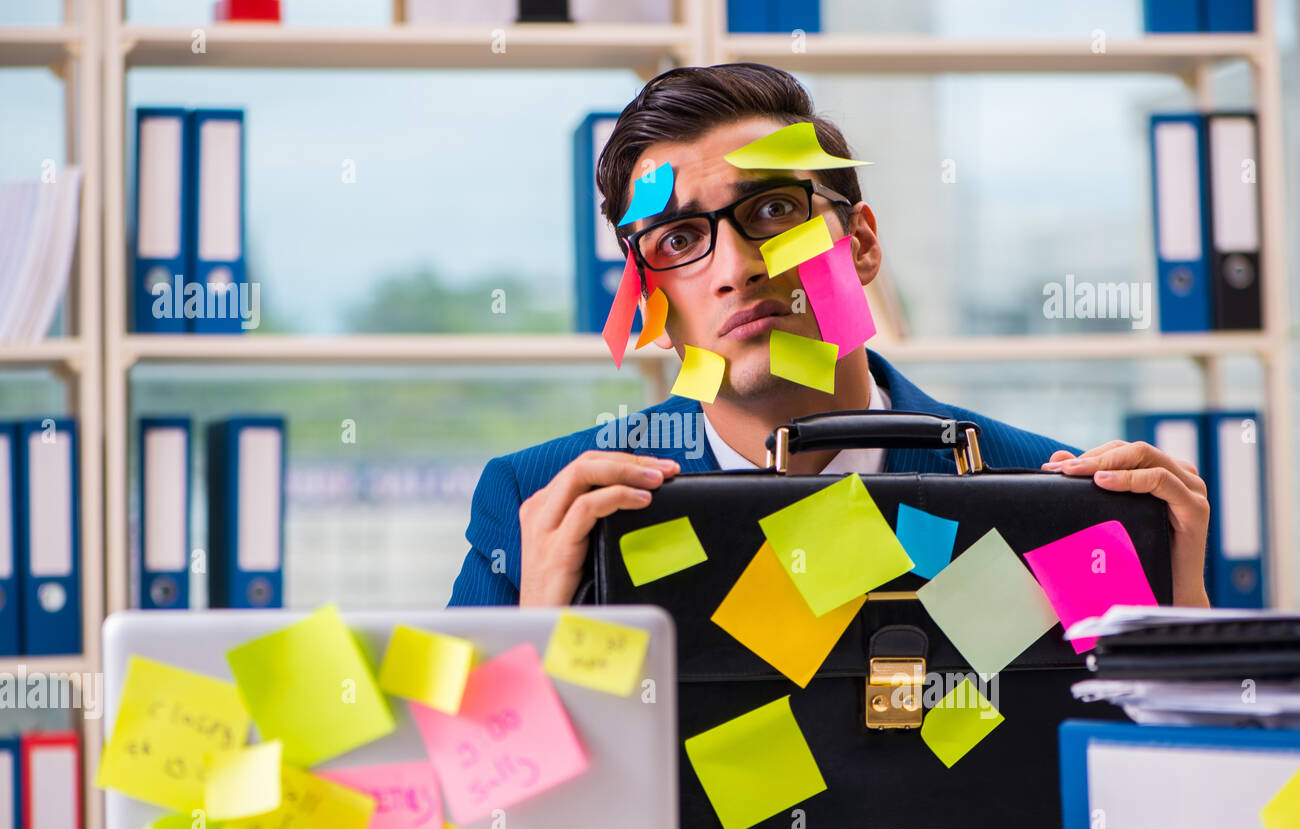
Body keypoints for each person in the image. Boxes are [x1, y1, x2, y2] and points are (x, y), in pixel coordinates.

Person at [447, 63, 1210, 610]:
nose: (738, 269)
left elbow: (1152, 788)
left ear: (862, 244)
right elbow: (453, 821)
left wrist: (1185, 616)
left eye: (775, 211)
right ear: (650, 297)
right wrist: (537, 632)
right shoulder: (543, 505)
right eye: (679, 240)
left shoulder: (1048, 497)